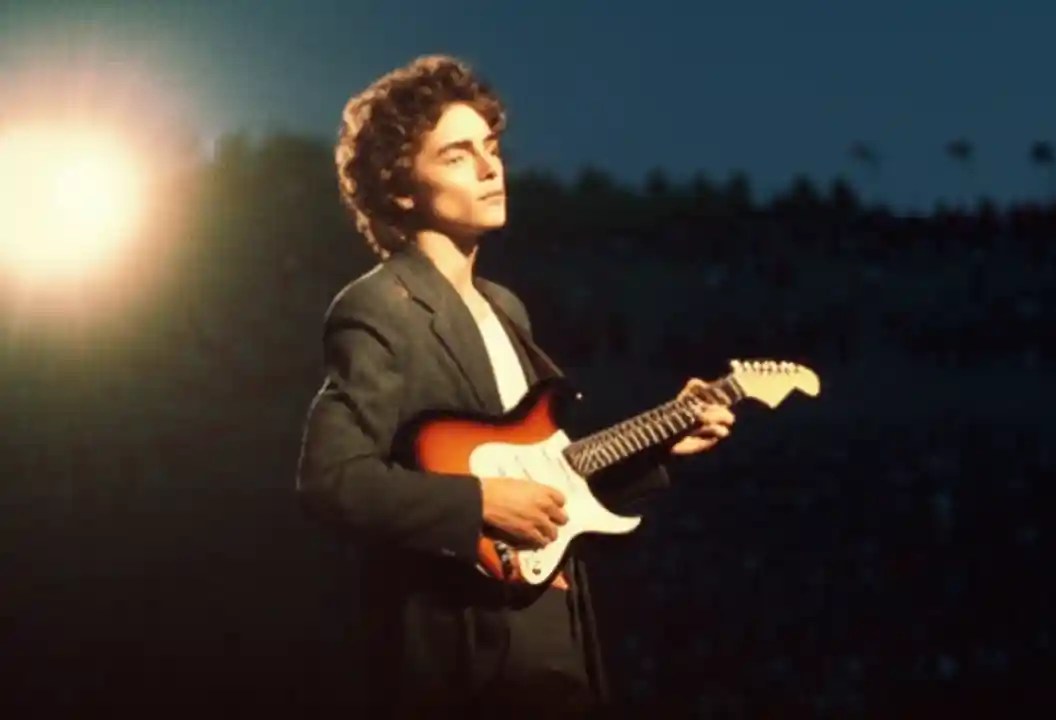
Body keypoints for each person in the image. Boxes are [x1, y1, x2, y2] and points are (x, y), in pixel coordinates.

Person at [295, 54, 736, 718]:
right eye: (456, 155)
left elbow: (548, 476)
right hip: (471, 653)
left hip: (557, 634)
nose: (488, 166)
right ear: (400, 187)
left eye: (491, 147)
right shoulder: (378, 306)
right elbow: (331, 480)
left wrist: (665, 441)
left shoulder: (507, 308)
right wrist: (477, 505)